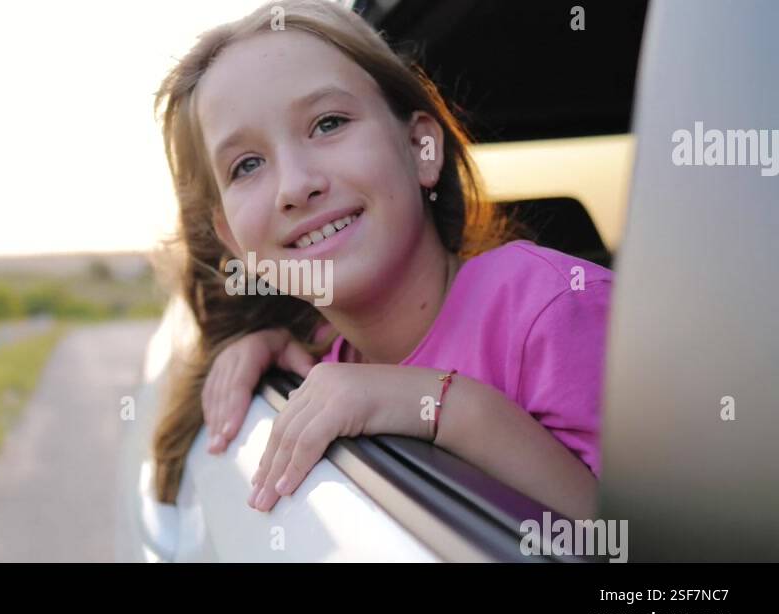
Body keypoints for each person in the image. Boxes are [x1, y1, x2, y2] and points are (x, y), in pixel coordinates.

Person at [152, 0, 611, 520]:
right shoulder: (323, 363)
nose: (296, 186)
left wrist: (444, 406)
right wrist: (271, 342)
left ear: (420, 147)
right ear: (232, 240)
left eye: (328, 123)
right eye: (247, 164)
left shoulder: (554, 308)